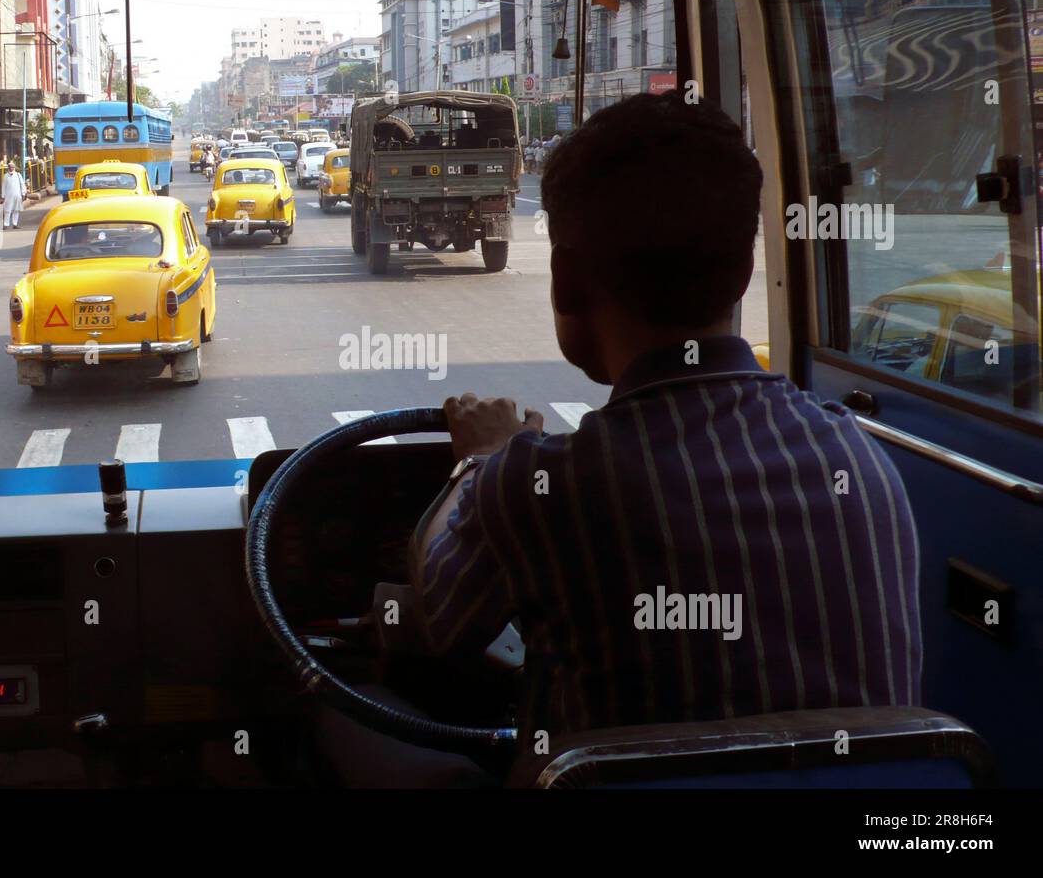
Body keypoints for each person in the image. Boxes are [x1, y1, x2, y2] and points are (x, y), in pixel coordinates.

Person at [322, 93, 924, 785]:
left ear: (567, 279)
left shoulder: (545, 486)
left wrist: (478, 464)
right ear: (743, 273)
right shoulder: (860, 458)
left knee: (338, 702)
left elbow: (433, 625)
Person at [1, 159, 26, 229]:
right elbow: (3, 186)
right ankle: (6, 224)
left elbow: (22, 184)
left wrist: (23, 193)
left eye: (12, 167)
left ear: (14, 168)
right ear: (8, 168)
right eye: (10, 167)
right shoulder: (5, 176)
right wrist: (3, 196)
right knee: (7, 210)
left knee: (16, 210)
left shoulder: (18, 175)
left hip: (17, 195)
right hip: (8, 196)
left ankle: (15, 224)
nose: (11, 168)